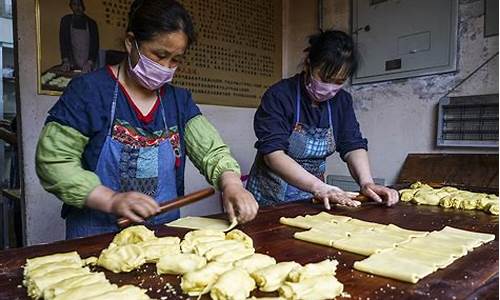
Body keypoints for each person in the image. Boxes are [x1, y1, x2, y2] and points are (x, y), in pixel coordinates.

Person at [36, 0, 258, 239]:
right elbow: (54, 162)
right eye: (159, 55)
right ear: (131, 42)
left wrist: (231, 184)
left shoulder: (178, 101)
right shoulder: (89, 92)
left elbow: (212, 152)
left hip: (162, 235)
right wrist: (110, 199)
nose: (166, 67)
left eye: (175, 59)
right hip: (95, 234)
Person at [246, 30, 399, 209]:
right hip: (270, 198)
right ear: (309, 64)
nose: (330, 88)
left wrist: (367, 183)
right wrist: (318, 186)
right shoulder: (280, 96)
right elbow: (273, 155)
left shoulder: (342, 101)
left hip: (314, 198)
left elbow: (352, 145)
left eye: (339, 81)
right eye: (325, 79)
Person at [59, 0, 99, 73]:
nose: (77, 7)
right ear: (71, 6)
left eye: (79, 5)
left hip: (88, 64)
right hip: (71, 64)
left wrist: (90, 62)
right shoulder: (66, 21)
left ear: (83, 7)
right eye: (74, 4)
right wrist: (66, 61)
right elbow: (63, 42)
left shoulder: (91, 23)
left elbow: (95, 45)